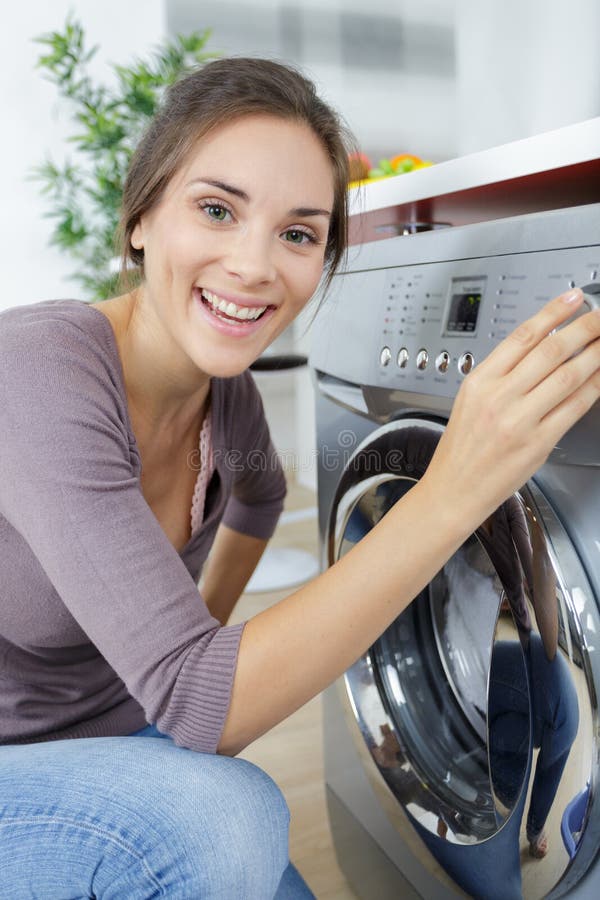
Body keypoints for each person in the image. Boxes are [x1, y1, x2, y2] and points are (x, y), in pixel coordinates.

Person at [0, 56, 599, 899]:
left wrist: (190, 645)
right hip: (16, 763)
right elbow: (206, 701)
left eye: (297, 233)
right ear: (139, 219)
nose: (254, 266)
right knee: (227, 820)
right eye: (216, 210)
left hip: (115, 740)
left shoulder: (225, 402)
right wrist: (456, 484)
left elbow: (261, 494)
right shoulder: (34, 374)